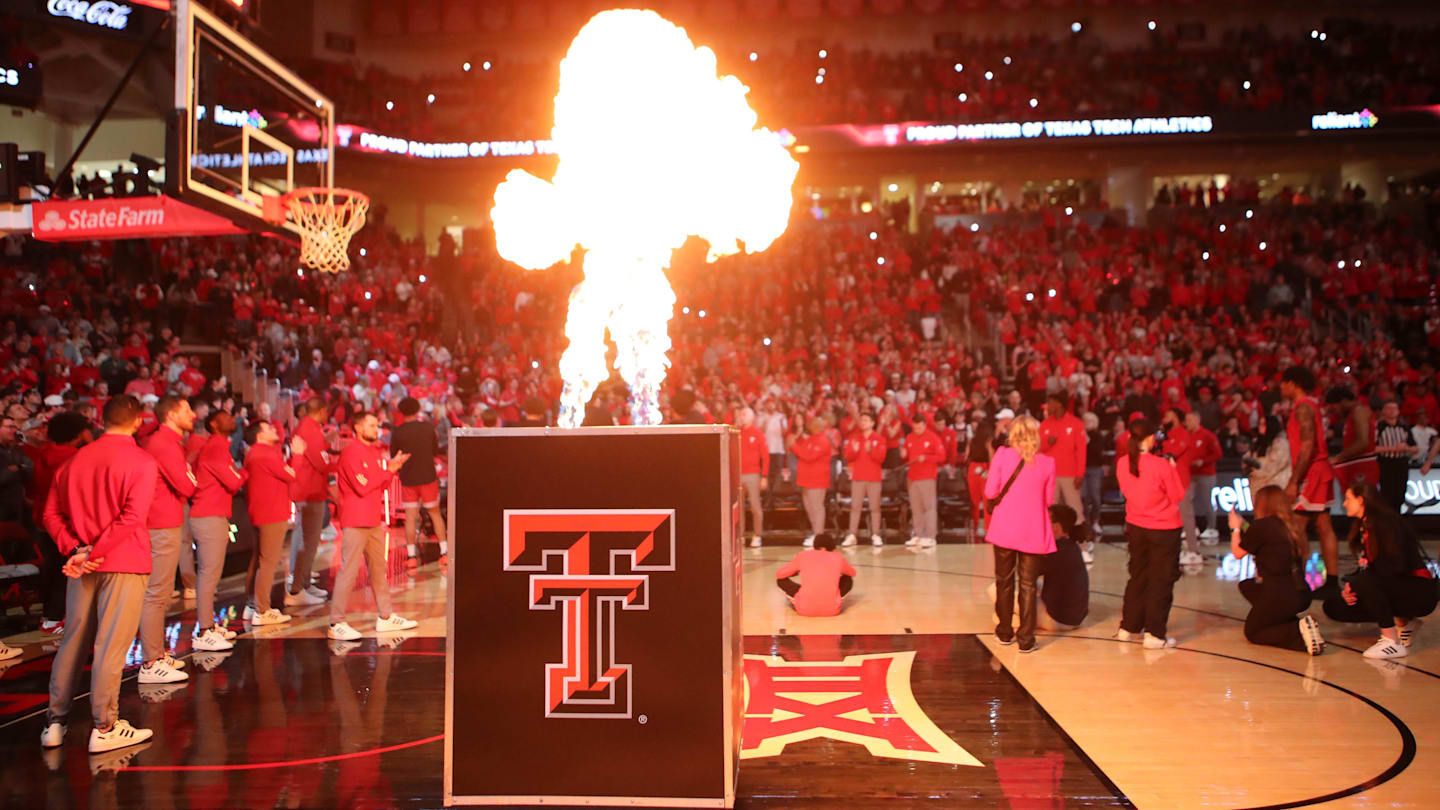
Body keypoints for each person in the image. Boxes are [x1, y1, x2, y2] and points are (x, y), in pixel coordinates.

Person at [41, 394, 159, 753]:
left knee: (73, 640)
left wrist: (76, 549)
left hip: (81, 563)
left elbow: (49, 516)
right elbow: (132, 518)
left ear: (100, 420)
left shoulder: (74, 460)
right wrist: (93, 551)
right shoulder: (141, 460)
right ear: (138, 421)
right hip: (122, 560)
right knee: (110, 645)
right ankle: (105, 726)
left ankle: (55, 723)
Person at [328, 412, 421, 640]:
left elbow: (381, 484)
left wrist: (392, 468)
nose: (376, 428)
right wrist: (387, 470)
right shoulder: (351, 453)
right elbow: (363, 486)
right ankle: (335, 622)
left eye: (377, 424)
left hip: (372, 519)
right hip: (356, 520)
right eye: (371, 425)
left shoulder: (371, 452)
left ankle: (386, 617)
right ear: (358, 428)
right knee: (348, 572)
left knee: (379, 570)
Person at [1322, 482, 1438, 659]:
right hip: (1392, 585)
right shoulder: (1365, 525)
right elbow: (1369, 567)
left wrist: (1359, 582)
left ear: (1361, 500)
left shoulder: (1386, 523)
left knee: (1363, 581)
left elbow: (1394, 567)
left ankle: (1391, 640)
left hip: (1419, 591)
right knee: (1334, 605)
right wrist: (1351, 588)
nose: (1344, 503)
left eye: (1348, 499)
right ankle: (1404, 622)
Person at [136, 396, 197, 686]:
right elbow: (187, 484)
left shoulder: (166, 441)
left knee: (157, 592)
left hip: (163, 520)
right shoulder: (164, 442)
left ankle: (156, 652)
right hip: (160, 522)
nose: (194, 415)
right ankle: (151, 661)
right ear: (172, 414)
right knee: (156, 593)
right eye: (187, 410)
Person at [984, 414, 1056, 652]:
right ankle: (1026, 639)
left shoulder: (1002, 456)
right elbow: (1048, 499)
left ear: (1013, 434)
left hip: (1005, 527)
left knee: (1004, 581)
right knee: (1028, 586)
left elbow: (990, 490)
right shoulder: (1047, 463)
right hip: (1033, 529)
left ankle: (1004, 632)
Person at [1227, 486, 1325, 655]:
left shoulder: (1263, 526)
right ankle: (1288, 621)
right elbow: (1261, 538)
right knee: (1247, 585)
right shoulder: (1289, 526)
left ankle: (1296, 631)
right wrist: (1244, 526)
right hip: (1300, 593)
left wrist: (1235, 528)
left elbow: (1237, 553)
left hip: (1279, 594)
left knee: (1253, 632)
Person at [1115, 418, 1185, 649]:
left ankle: (1130, 626)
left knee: (1138, 576)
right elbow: (1177, 496)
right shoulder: (1161, 465)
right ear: (1149, 438)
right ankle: (1155, 634)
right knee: (1161, 581)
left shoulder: (1123, 463)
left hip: (1136, 526)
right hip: (1164, 528)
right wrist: (1173, 469)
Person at [31, 411, 93, 636]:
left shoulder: (44, 453)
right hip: (65, 523)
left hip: (42, 520)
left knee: (52, 570)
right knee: (64, 573)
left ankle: (50, 616)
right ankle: (59, 618)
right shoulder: (75, 458)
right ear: (77, 434)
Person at [1281, 366, 1340, 599]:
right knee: (1324, 526)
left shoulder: (1303, 406)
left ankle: (1299, 582)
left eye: (1284, 383)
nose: (1282, 387)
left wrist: (1295, 480)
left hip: (1312, 471)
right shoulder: (1312, 404)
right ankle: (1332, 581)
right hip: (1321, 469)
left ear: (1293, 383)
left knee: (1296, 526)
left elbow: (1307, 445)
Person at [189, 410, 245, 652]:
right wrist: (246, 470)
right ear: (213, 423)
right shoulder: (215, 447)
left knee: (210, 574)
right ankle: (203, 630)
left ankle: (209, 625)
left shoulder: (218, 445)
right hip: (208, 515)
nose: (232, 419)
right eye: (226, 416)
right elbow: (233, 481)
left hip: (211, 514)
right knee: (208, 574)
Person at [243, 419, 303, 625]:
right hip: (272, 514)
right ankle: (262, 610)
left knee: (258, 560)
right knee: (268, 563)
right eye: (269, 428)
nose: (274, 429)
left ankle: (252, 605)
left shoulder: (252, 453)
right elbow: (291, 475)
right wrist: (298, 455)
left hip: (259, 512)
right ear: (259, 435)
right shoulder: (266, 453)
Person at [390, 398, 448, 569]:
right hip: (428, 476)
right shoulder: (428, 428)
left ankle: (411, 556)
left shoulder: (398, 432)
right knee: (435, 514)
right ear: (417, 409)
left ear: (401, 411)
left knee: (410, 517)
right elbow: (435, 450)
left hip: (409, 478)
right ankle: (444, 553)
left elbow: (394, 455)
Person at [287, 397, 334, 607]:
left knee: (309, 541)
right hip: (310, 491)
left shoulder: (306, 428)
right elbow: (322, 462)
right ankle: (298, 588)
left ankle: (303, 583)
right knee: (308, 542)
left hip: (309, 490)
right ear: (322, 411)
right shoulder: (310, 429)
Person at [774, 532, 856, 617]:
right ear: (832, 546)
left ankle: (801, 600)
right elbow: (852, 573)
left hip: (804, 610)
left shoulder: (803, 555)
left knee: (781, 580)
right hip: (832, 611)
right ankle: (834, 601)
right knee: (848, 579)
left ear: (815, 545)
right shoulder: (838, 556)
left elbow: (779, 574)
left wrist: (795, 572)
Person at [1159, 408, 1202, 565]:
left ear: (1176, 418)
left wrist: (1163, 448)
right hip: (1166, 483)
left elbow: (1172, 452)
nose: (1164, 418)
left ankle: (1193, 551)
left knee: (1186, 517)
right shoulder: (1164, 434)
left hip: (1181, 482)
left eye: (1168, 415)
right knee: (1168, 519)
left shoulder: (1182, 433)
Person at [1039, 504, 1090, 631]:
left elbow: (1028, 574)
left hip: (1058, 620)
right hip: (1076, 618)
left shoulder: (1055, 549)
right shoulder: (1071, 545)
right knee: (1037, 588)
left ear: (1057, 527)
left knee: (995, 590)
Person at [1039, 391, 1086, 523]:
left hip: (1069, 473)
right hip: (1050, 474)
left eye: (1049, 403)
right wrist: (1047, 444)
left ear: (1059, 404)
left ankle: (1079, 539)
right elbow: (1038, 448)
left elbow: (1081, 450)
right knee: (1050, 508)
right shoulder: (1045, 424)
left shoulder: (1076, 423)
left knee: (1074, 507)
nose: (1047, 406)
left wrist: (1080, 474)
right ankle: (1051, 539)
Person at [902, 412, 947, 548]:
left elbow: (941, 456)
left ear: (924, 425)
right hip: (912, 477)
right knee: (916, 509)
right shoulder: (909, 437)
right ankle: (918, 535)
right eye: (915, 428)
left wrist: (926, 458)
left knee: (929, 508)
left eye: (919, 428)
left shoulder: (933, 437)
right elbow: (905, 453)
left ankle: (930, 536)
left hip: (927, 477)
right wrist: (903, 454)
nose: (917, 430)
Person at [842, 411, 887, 547]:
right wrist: (854, 450)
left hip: (873, 477)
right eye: (862, 420)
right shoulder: (855, 438)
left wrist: (870, 451)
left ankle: (876, 534)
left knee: (875, 507)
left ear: (873, 423)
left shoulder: (879, 439)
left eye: (866, 420)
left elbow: (881, 458)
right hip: (859, 477)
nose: (863, 422)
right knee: (855, 507)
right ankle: (852, 535)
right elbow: (848, 457)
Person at [1326, 386, 1378, 495]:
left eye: (1334, 409)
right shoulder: (1352, 415)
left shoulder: (1359, 411)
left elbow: (1362, 442)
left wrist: (1337, 459)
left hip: (1363, 467)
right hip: (1357, 466)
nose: (1335, 413)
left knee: (1363, 506)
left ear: (1343, 401)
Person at [789, 417, 831, 548]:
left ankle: (819, 535)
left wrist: (793, 445)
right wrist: (794, 442)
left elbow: (808, 456)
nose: (809, 424)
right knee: (810, 508)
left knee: (817, 508)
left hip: (817, 480)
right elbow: (801, 451)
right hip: (806, 480)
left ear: (819, 426)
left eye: (812, 423)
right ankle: (815, 533)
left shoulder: (823, 440)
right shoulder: (810, 439)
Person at [1185, 412, 1223, 544]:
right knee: (1187, 501)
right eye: (1186, 420)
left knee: (1208, 501)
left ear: (1197, 420)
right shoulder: (1186, 435)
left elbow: (1218, 454)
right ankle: (1191, 527)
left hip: (1206, 473)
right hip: (1190, 473)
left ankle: (1212, 527)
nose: (1187, 423)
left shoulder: (1207, 435)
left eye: (1190, 420)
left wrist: (1204, 461)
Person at [1373, 400, 1417, 515]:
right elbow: (1372, 448)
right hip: (1385, 463)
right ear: (1383, 411)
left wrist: (1405, 448)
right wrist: (1391, 448)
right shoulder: (1378, 427)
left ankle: (1397, 518)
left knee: (1400, 493)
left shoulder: (1404, 427)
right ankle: (1387, 520)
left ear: (1398, 411)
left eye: (1394, 408)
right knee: (1387, 493)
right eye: (1389, 408)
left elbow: (1415, 448)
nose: (1392, 411)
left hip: (1401, 463)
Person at [737, 407, 769, 548]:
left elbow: (765, 456)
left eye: (744, 414)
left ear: (751, 417)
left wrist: (764, 476)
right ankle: (740, 536)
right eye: (741, 414)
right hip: (738, 475)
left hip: (753, 475)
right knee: (739, 508)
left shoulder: (757, 434)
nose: (741, 416)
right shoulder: (737, 433)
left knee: (755, 506)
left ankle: (757, 535)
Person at [1243, 414, 1291, 493]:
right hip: (1257, 488)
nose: (1260, 426)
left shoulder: (1281, 443)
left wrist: (1255, 465)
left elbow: (1275, 464)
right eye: (1259, 424)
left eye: (1263, 424)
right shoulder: (1257, 443)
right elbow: (1247, 459)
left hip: (1276, 487)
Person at [966, 421, 994, 539]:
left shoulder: (972, 440)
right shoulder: (990, 441)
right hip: (986, 468)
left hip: (973, 468)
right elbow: (992, 459)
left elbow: (967, 456)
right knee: (987, 501)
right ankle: (988, 529)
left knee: (974, 501)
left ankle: (976, 528)